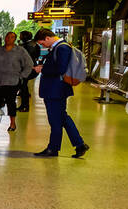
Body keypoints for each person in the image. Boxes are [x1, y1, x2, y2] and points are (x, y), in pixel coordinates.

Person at [33, 28, 90, 158]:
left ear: (47, 38)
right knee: (62, 118)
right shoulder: (59, 47)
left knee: (55, 121)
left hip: (56, 90)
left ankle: (53, 149)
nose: (42, 46)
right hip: (56, 89)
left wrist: (42, 68)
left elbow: (60, 69)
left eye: (42, 43)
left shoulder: (62, 48)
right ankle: (80, 145)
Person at [0, 31, 33, 133]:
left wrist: (22, 77)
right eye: (7, 37)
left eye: (11, 37)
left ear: (15, 39)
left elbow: (29, 64)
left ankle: (12, 123)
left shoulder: (20, 51)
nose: (8, 39)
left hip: (12, 83)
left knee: (11, 103)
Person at [16, 30, 40, 112]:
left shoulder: (25, 46)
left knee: (23, 88)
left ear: (25, 37)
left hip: (27, 69)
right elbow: (37, 56)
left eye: (21, 35)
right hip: (32, 68)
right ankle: (23, 105)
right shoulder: (35, 45)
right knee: (23, 87)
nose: (20, 37)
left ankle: (25, 106)